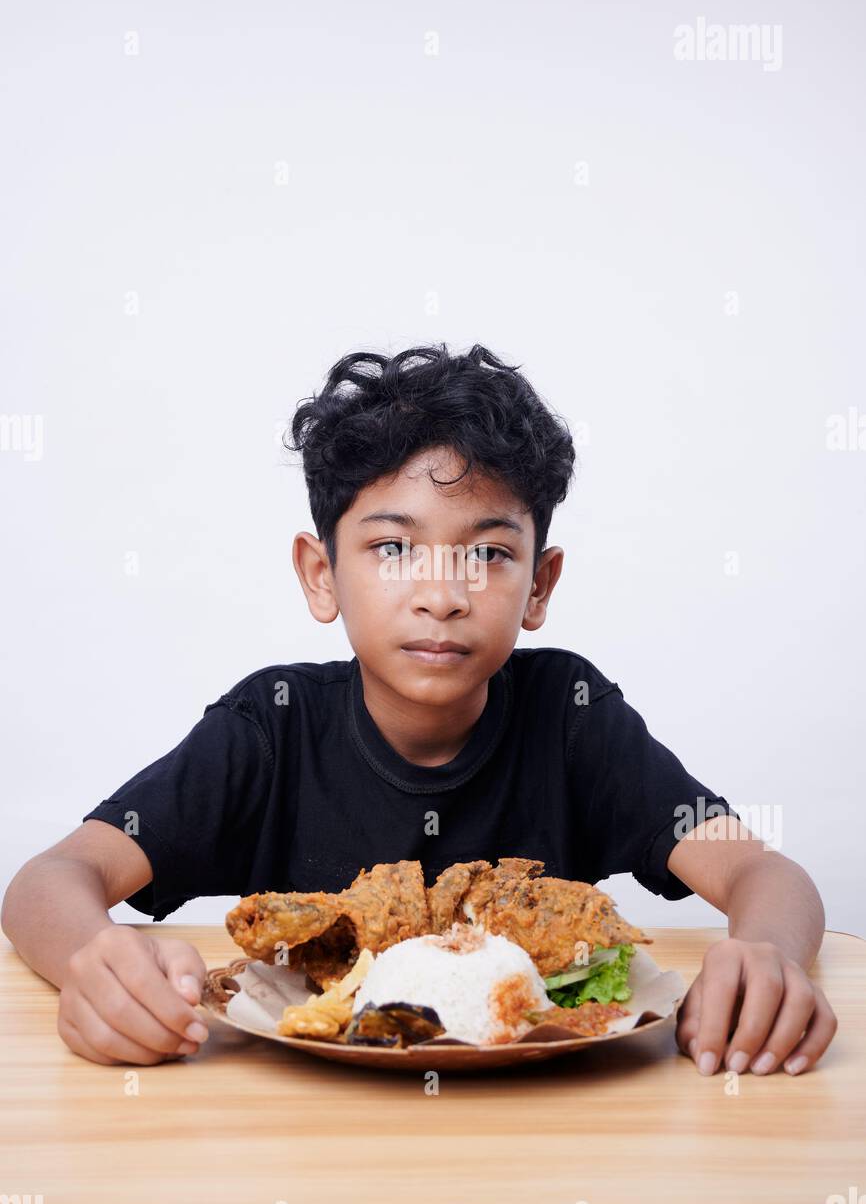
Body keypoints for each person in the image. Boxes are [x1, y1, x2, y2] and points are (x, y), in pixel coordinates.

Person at [1, 343, 836, 1075]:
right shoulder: (273, 724)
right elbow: (50, 880)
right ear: (320, 574)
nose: (442, 595)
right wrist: (92, 959)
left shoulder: (571, 715)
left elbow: (764, 874)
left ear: (538, 587)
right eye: (392, 548)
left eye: (489, 553)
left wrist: (764, 956)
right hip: (303, 1135)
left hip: (543, 1130)